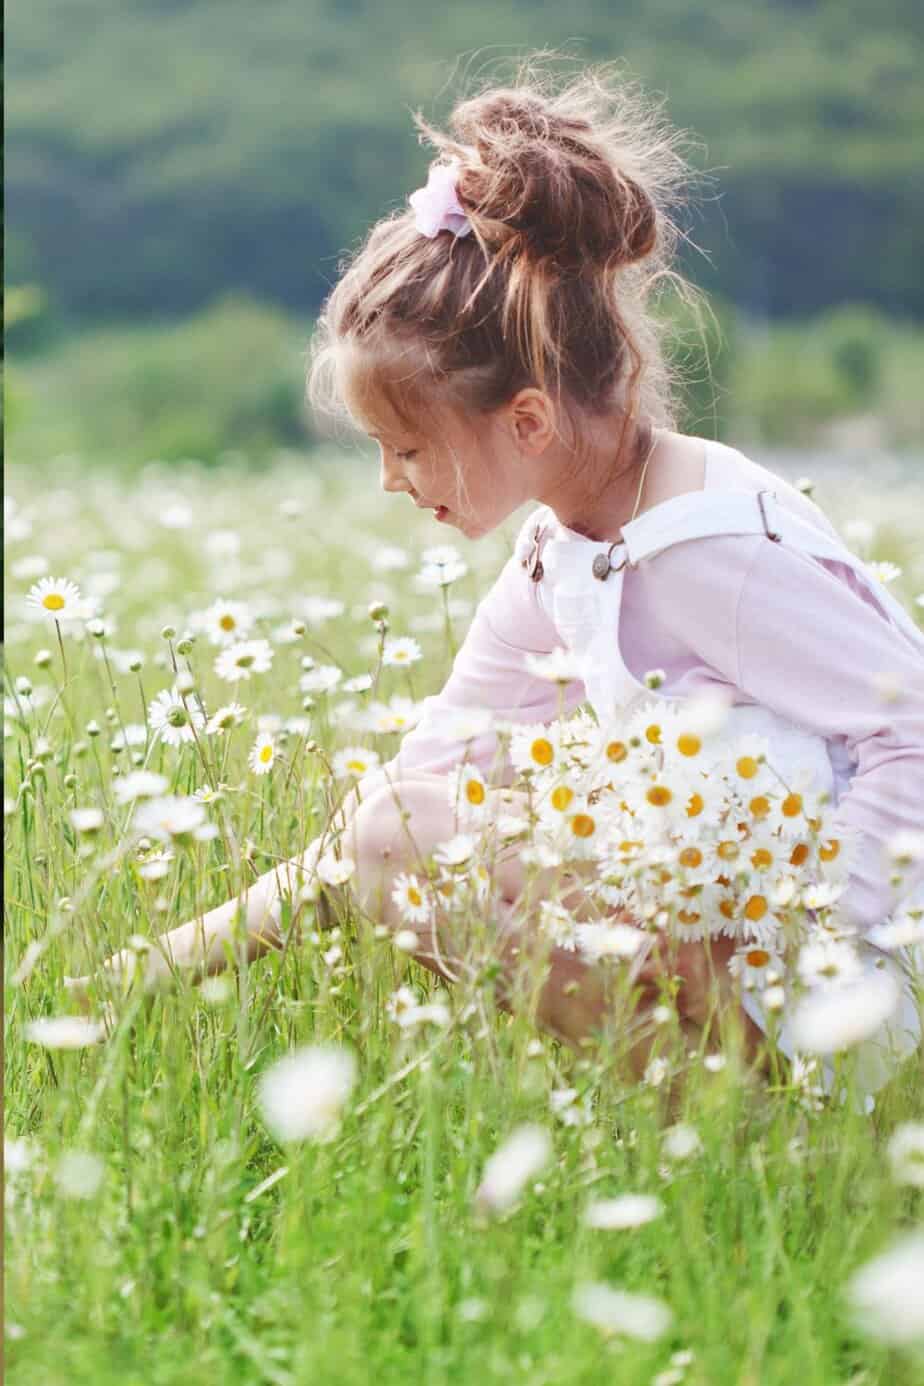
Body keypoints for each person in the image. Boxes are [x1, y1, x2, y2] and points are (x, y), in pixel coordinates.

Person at [68, 61, 924, 1101]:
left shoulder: (706, 549)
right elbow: (417, 788)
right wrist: (167, 958)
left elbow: (909, 730)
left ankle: (761, 1128)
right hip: (750, 940)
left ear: (525, 419)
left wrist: (814, 945)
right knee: (405, 828)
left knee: (413, 838)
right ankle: (712, 1112)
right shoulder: (566, 549)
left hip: (846, 965)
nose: (390, 481)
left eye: (408, 447)